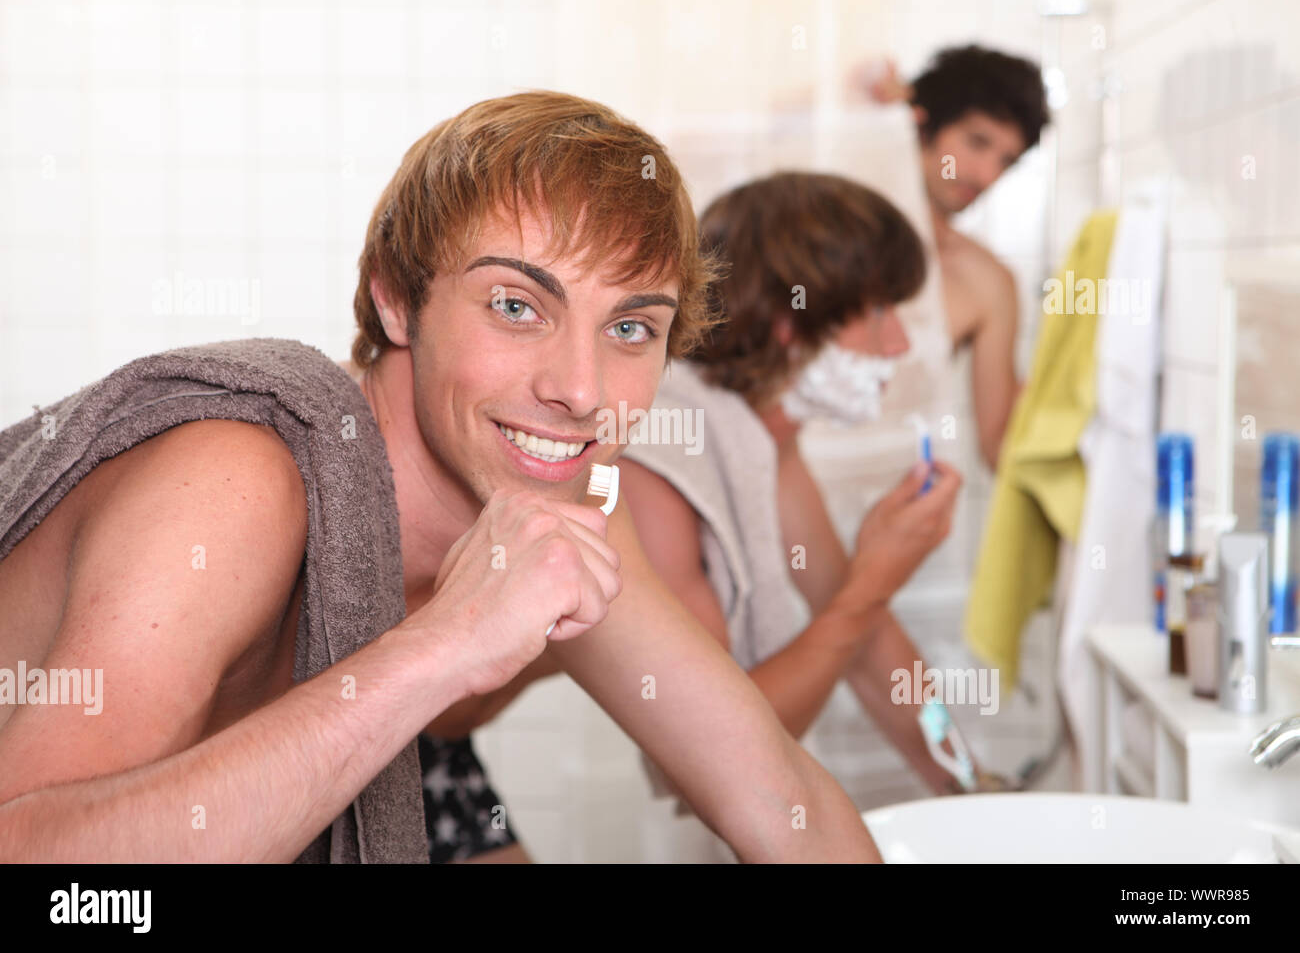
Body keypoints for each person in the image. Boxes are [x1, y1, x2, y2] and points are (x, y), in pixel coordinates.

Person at [0, 92, 882, 863]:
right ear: (395, 299)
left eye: (630, 329)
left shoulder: (556, 519)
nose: (579, 390)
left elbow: (784, 806)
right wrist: (444, 647)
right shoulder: (235, 484)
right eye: (515, 306)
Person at [618, 172, 1014, 802]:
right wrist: (875, 577)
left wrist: (973, 789)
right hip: (430, 743)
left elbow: (866, 637)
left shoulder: (768, 439)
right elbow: (699, 753)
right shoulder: (655, 461)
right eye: (880, 311)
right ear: (788, 321)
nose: (902, 341)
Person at [857, 45, 1050, 469]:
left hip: (907, 509)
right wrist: (855, 90)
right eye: (977, 141)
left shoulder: (989, 281)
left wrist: (1070, 379)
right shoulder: (830, 230)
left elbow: (999, 448)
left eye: (1006, 160)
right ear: (923, 126)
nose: (987, 175)